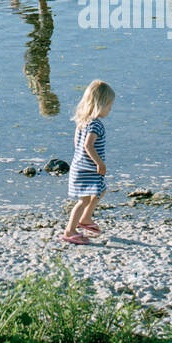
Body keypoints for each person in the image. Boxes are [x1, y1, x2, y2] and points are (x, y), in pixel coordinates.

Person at [62, 79, 115, 245]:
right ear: (100, 105)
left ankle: (85, 218)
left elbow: (77, 144)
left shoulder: (82, 121)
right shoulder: (96, 125)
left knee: (101, 189)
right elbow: (87, 145)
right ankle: (70, 230)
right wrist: (99, 163)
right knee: (83, 200)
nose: (110, 109)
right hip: (88, 169)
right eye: (109, 105)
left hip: (80, 167)